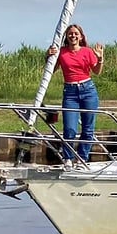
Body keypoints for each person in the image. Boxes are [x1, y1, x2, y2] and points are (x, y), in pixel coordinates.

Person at [47, 24, 104, 165]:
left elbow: (96, 71)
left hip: (88, 90)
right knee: (69, 128)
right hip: (70, 92)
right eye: (70, 33)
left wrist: (100, 58)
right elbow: (51, 69)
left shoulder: (87, 51)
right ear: (66, 36)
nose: (73, 36)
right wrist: (47, 56)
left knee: (88, 128)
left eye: (76, 33)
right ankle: (68, 158)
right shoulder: (61, 52)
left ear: (81, 36)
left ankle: (82, 158)